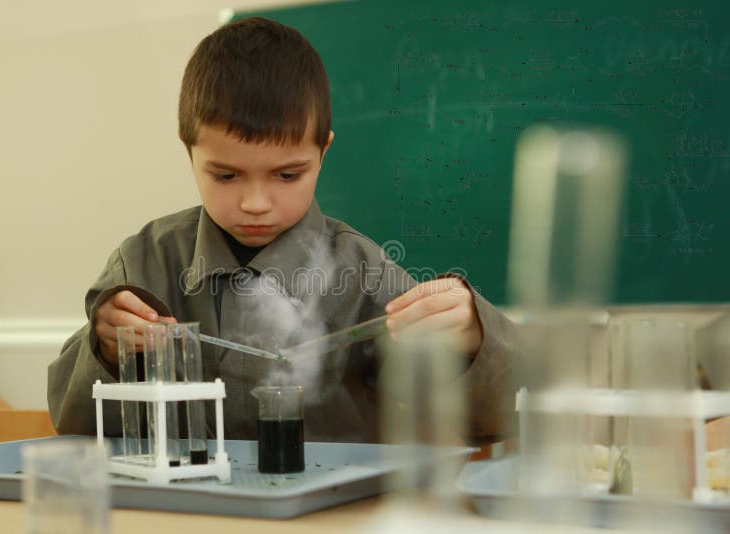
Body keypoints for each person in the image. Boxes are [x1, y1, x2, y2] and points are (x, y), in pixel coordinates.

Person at [48, 16, 515, 444]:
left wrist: (472, 340)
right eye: (226, 175)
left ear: (323, 153)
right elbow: (71, 423)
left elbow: (490, 421)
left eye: (287, 175)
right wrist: (106, 350)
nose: (256, 203)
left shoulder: (364, 273)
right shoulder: (145, 263)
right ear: (188, 151)